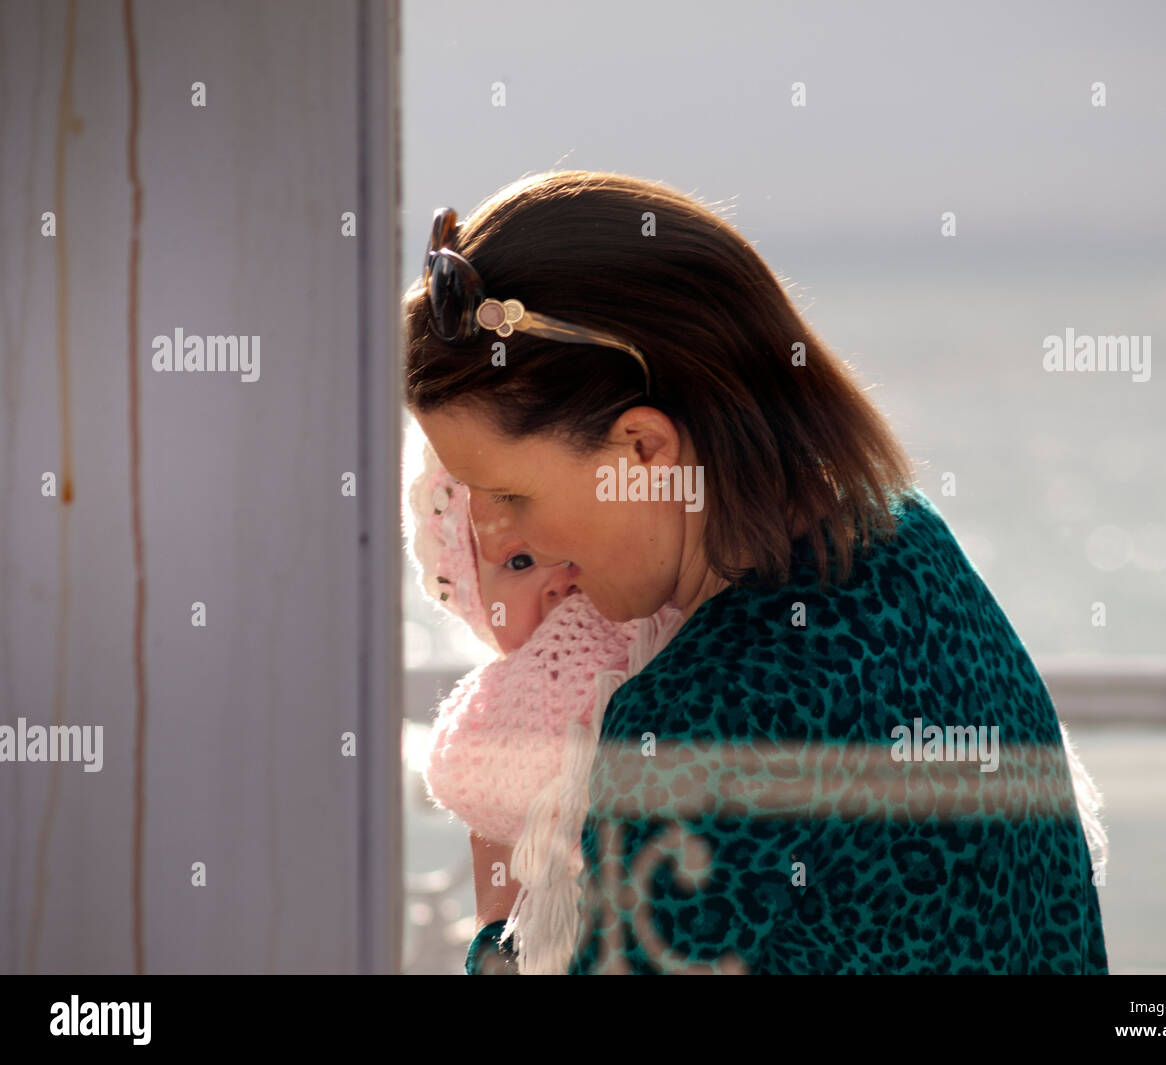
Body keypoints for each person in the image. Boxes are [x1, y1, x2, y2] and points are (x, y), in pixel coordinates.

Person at [403, 170, 1109, 974]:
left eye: (509, 493)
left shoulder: (699, 721)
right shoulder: (905, 540)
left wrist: (499, 912)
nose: (492, 538)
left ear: (643, 451)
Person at [403, 429, 683, 974]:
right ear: (477, 604)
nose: (560, 581)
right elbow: (501, 920)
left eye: (570, 546)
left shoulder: (663, 640)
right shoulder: (500, 719)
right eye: (520, 562)